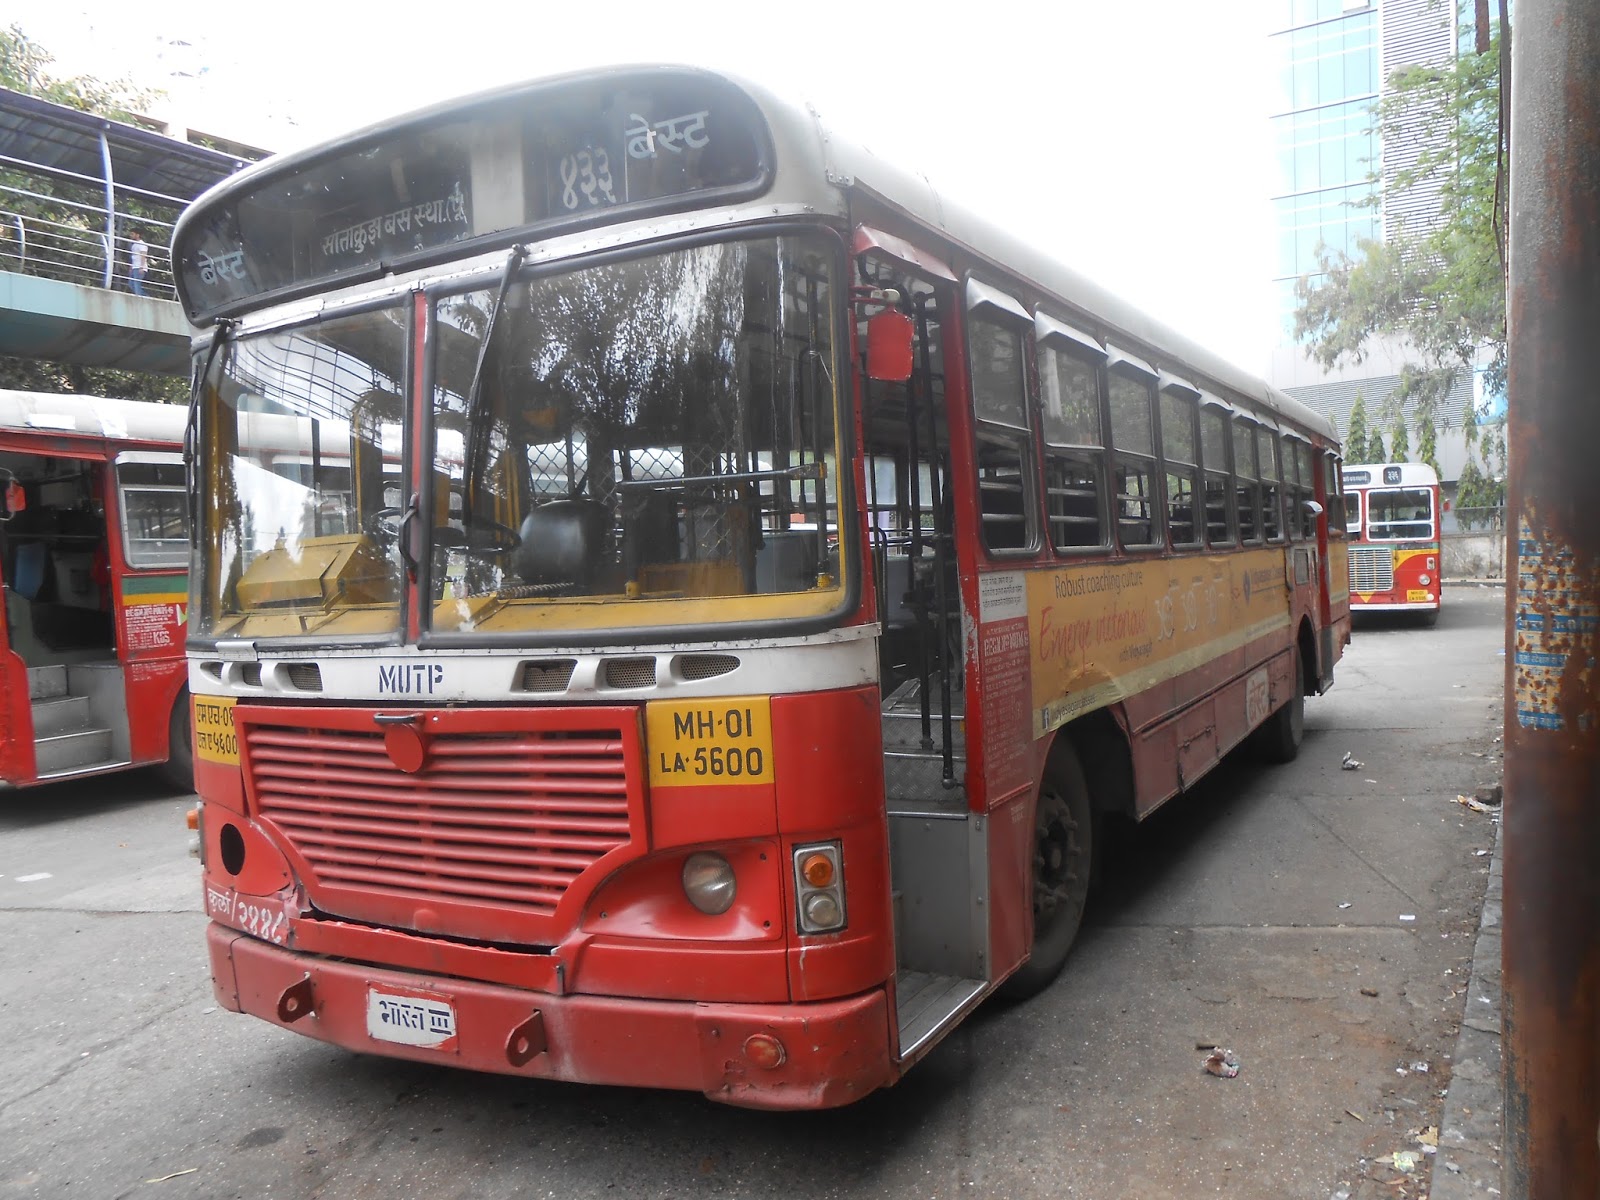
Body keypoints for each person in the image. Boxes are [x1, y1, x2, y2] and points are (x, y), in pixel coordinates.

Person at [128, 231, 148, 296]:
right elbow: (134, 256)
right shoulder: (134, 245)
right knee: (131, 284)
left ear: (137, 235)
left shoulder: (142, 244)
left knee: (137, 284)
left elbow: (143, 255)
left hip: (139, 267)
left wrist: (142, 267)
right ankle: (145, 297)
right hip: (135, 267)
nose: (131, 235)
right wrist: (131, 266)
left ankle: (142, 297)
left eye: (132, 234)